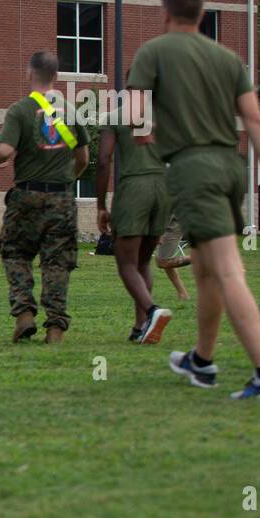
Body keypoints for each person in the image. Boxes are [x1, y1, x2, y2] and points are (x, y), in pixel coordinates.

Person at [128, 0, 260, 399]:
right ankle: (202, 359)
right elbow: (254, 121)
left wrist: (148, 130)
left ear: (166, 10)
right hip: (232, 166)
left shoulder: (154, 51)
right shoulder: (228, 58)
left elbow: (136, 116)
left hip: (193, 168)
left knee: (228, 270)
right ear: (201, 14)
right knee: (203, 270)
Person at [0, 50, 90, 344]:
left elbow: (4, 151)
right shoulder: (70, 111)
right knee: (57, 262)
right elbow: (83, 157)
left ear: (29, 74)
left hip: (27, 196)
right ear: (56, 77)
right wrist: (67, 179)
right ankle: (55, 327)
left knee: (15, 252)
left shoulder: (20, 110)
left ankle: (24, 315)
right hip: (63, 198)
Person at [96, 101, 174, 344]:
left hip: (134, 187)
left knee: (126, 263)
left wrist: (100, 205)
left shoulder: (116, 117)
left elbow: (103, 160)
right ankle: (140, 327)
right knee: (143, 262)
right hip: (164, 188)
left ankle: (152, 311)